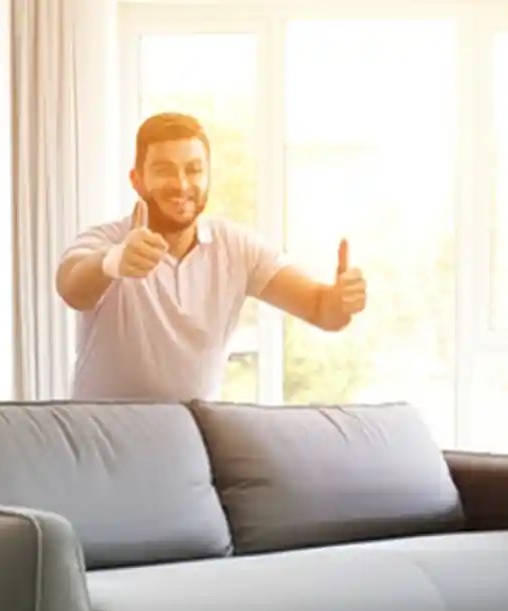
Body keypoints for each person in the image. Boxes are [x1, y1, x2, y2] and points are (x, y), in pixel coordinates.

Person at [56, 112, 367, 401]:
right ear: (137, 180)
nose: (181, 185)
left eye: (194, 170)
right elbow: (71, 287)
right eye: (164, 170)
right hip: (102, 432)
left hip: (191, 432)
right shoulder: (110, 241)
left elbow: (320, 310)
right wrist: (113, 261)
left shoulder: (235, 247)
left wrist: (340, 301)